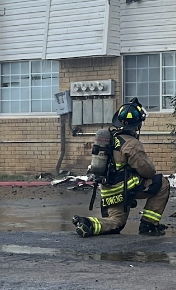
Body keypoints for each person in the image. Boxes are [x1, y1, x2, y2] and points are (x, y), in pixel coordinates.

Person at [73, 99, 170, 237]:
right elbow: (148, 171)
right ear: (138, 125)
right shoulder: (131, 144)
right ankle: (148, 225)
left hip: (107, 192)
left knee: (116, 223)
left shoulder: (110, 138)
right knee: (163, 183)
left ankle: (89, 223)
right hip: (124, 191)